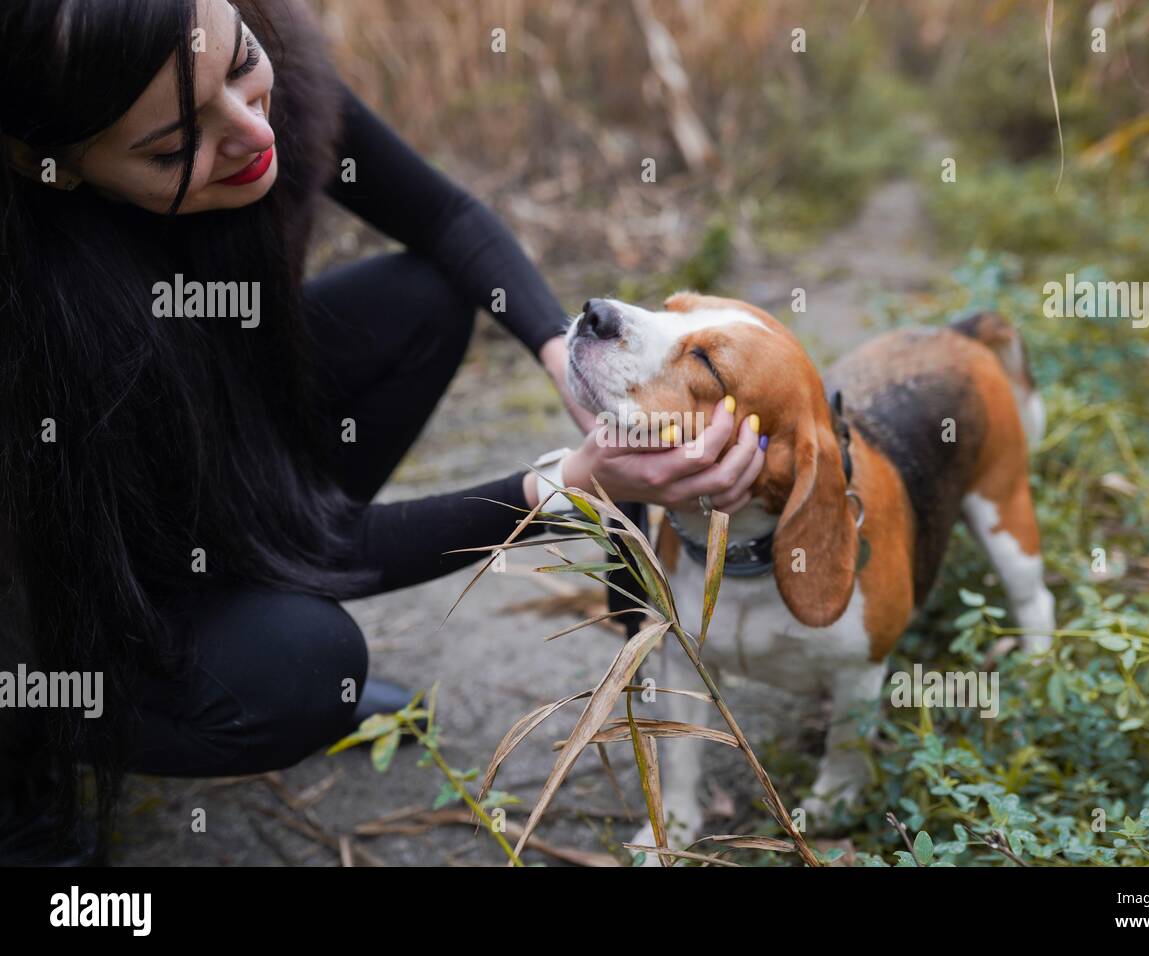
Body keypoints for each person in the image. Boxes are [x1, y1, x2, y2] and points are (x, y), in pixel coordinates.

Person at [0, 0, 765, 865]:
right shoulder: (60, 317)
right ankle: (33, 770)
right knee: (304, 667)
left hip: (207, 483)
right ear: (52, 165)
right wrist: (566, 490)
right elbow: (308, 535)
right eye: (174, 149)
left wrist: (559, 352)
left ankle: (249, 604)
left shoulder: (227, 81)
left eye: (242, 64)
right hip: (66, 590)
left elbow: (443, 219)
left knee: (425, 301)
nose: (252, 132)